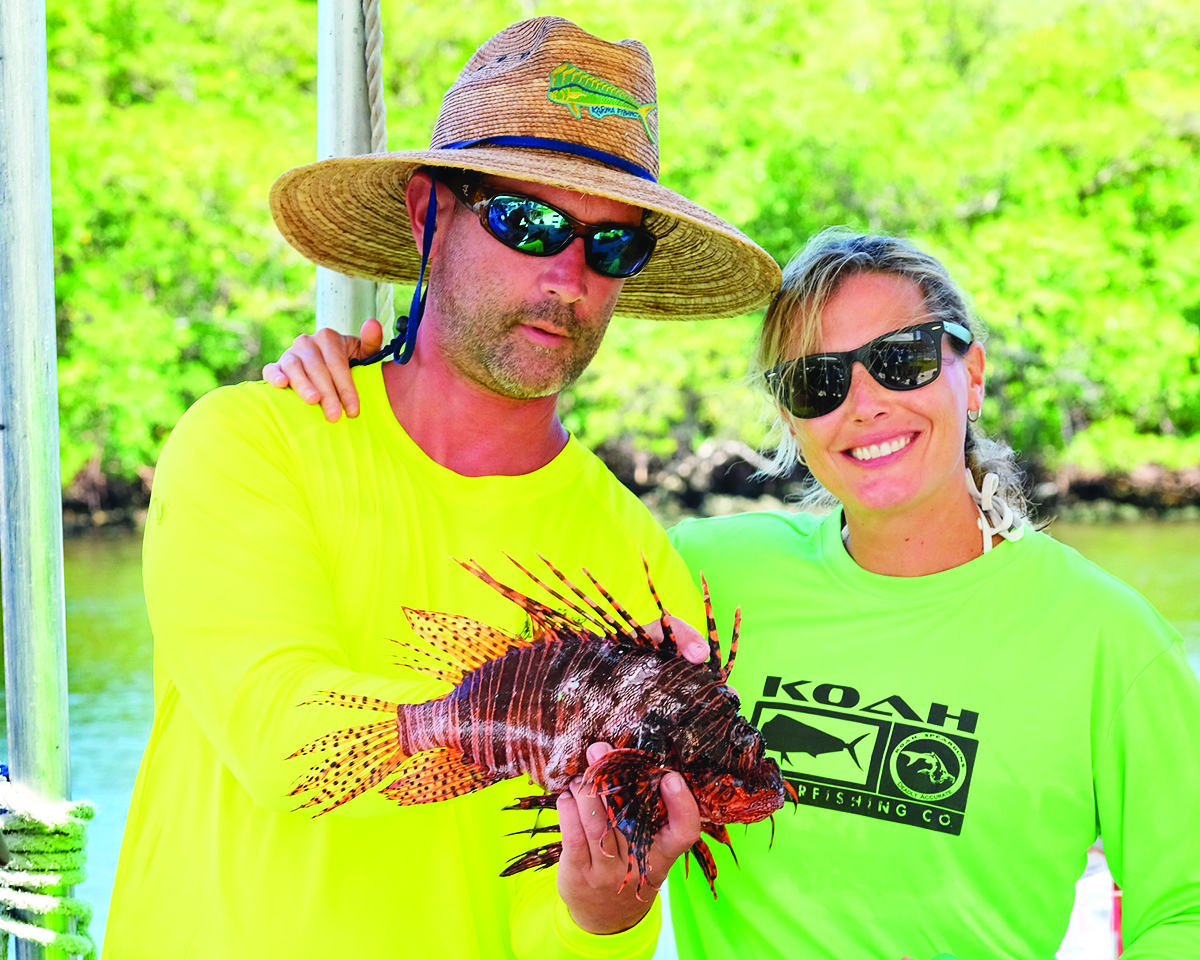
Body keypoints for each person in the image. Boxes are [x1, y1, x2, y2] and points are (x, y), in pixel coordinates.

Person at [279, 228, 1200, 959]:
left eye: (905, 359)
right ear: (792, 416)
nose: (866, 402)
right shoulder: (711, 570)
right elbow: (496, 553)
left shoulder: (1110, 640)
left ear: (974, 368)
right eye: (819, 381)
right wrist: (362, 395)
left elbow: (1183, 907)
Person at [104, 17, 781, 960]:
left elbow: (568, 929)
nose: (567, 275)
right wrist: (554, 712)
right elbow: (288, 743)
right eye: (527, 221)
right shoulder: (252, 442)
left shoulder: (638, 559)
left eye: (610, 248)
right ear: (430, 213)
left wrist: (608, 906)